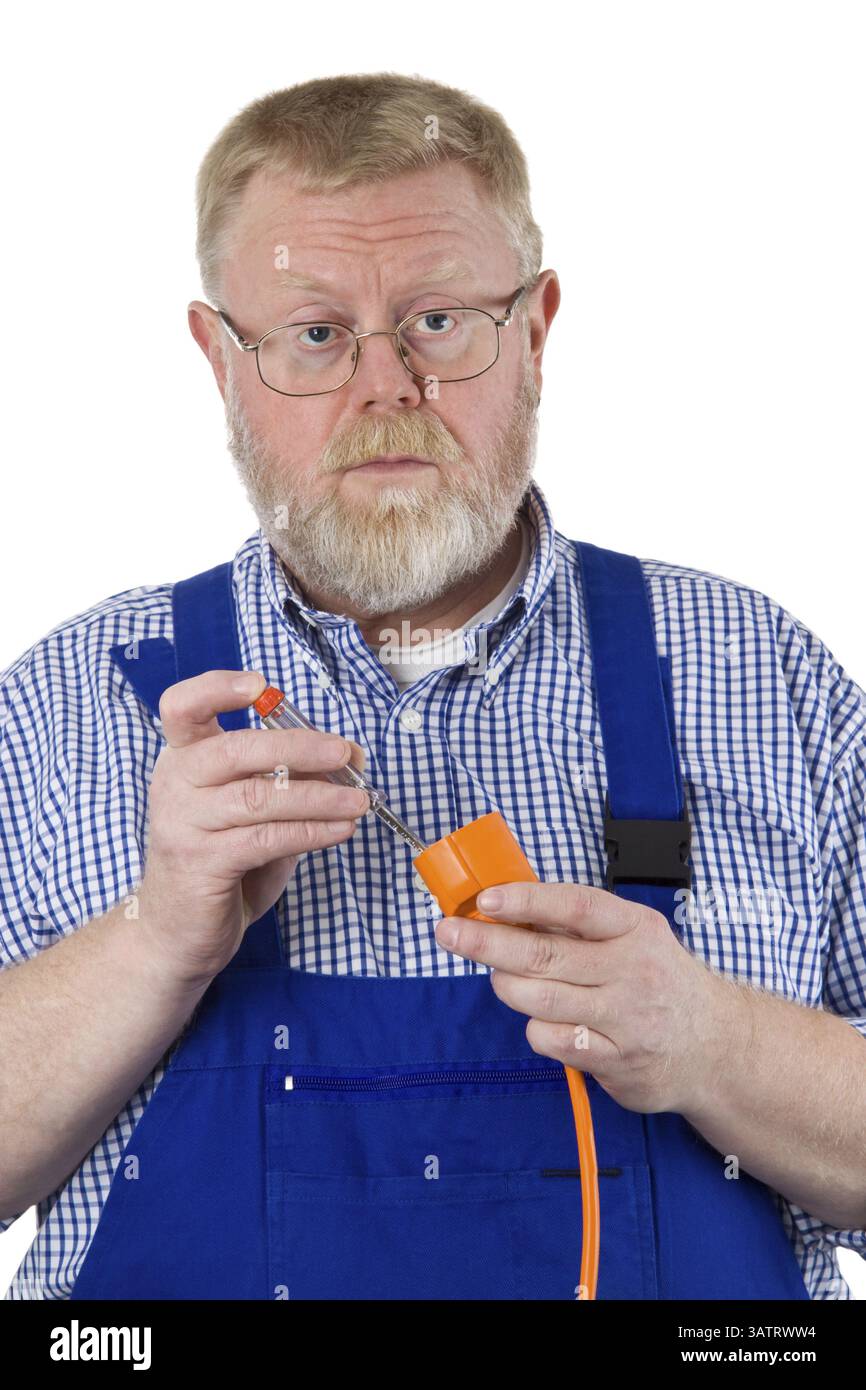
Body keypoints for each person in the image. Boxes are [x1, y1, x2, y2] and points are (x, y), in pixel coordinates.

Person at [1, 72, 864, 1302]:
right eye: (313, 333)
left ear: (537, 327)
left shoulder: (760, 674)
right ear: (218, 359)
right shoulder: (60, 706)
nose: (385, 386)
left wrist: (712, 1039)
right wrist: (152, 942)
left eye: (440, 320)